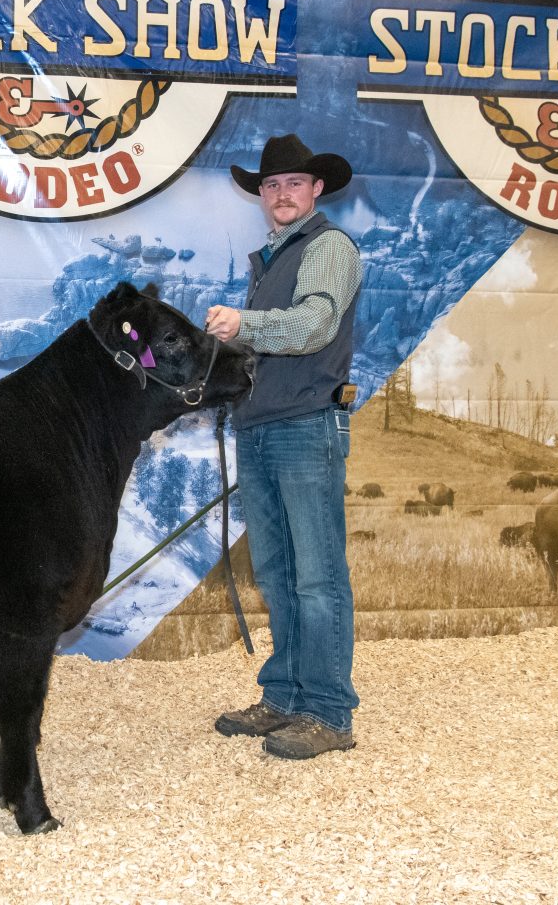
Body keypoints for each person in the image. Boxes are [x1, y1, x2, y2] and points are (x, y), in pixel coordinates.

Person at [204, 133, 363, 760]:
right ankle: (285, 696)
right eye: (270, 185)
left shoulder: (328, 247)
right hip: (262, 424)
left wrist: (245, 326)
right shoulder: (269, 259)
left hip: (304, 426)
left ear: (316, 188)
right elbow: (268, 344)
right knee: (278, 572)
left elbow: (315, 323)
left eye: (293, 183)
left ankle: (327, 710)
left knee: (318, 576)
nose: (280, 193)